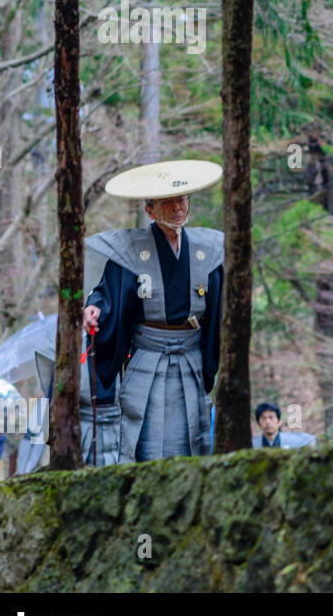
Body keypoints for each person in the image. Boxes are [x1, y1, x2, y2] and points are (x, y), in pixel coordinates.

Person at [81, 160, 224, 461]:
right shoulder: (130, 251)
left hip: (192, 355)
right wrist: (94, 309)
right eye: (167, 202)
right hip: (148, 355)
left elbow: (222, 303)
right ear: (150, 210)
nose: (177, 208)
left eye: (182, 199)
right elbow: (106, 292)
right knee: (143, 432)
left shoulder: (208, 248)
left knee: (194, 431)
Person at [252, 401, 316, 449]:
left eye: (271, 417)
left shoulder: (292, 440)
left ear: (280, 421)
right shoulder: (252, 444)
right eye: (264, 418)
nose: (268, 422)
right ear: (258, 423)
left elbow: (312, 440)